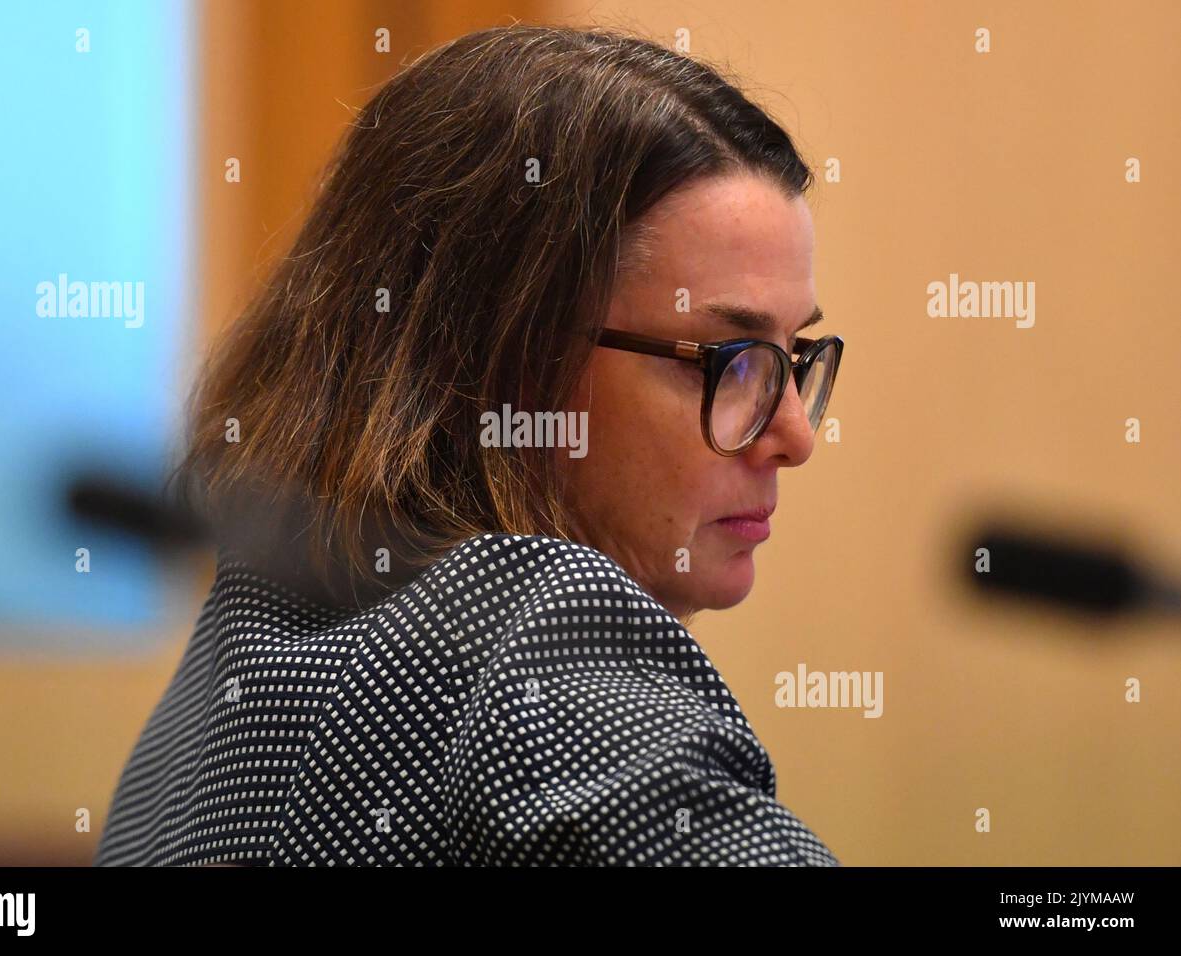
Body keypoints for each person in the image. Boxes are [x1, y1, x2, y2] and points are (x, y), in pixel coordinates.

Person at [95, 23, 843, 866]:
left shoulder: (250, 636)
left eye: (794, 358)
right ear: (506, 360)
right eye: (730, 361)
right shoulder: (536, 637)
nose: (793, 435)